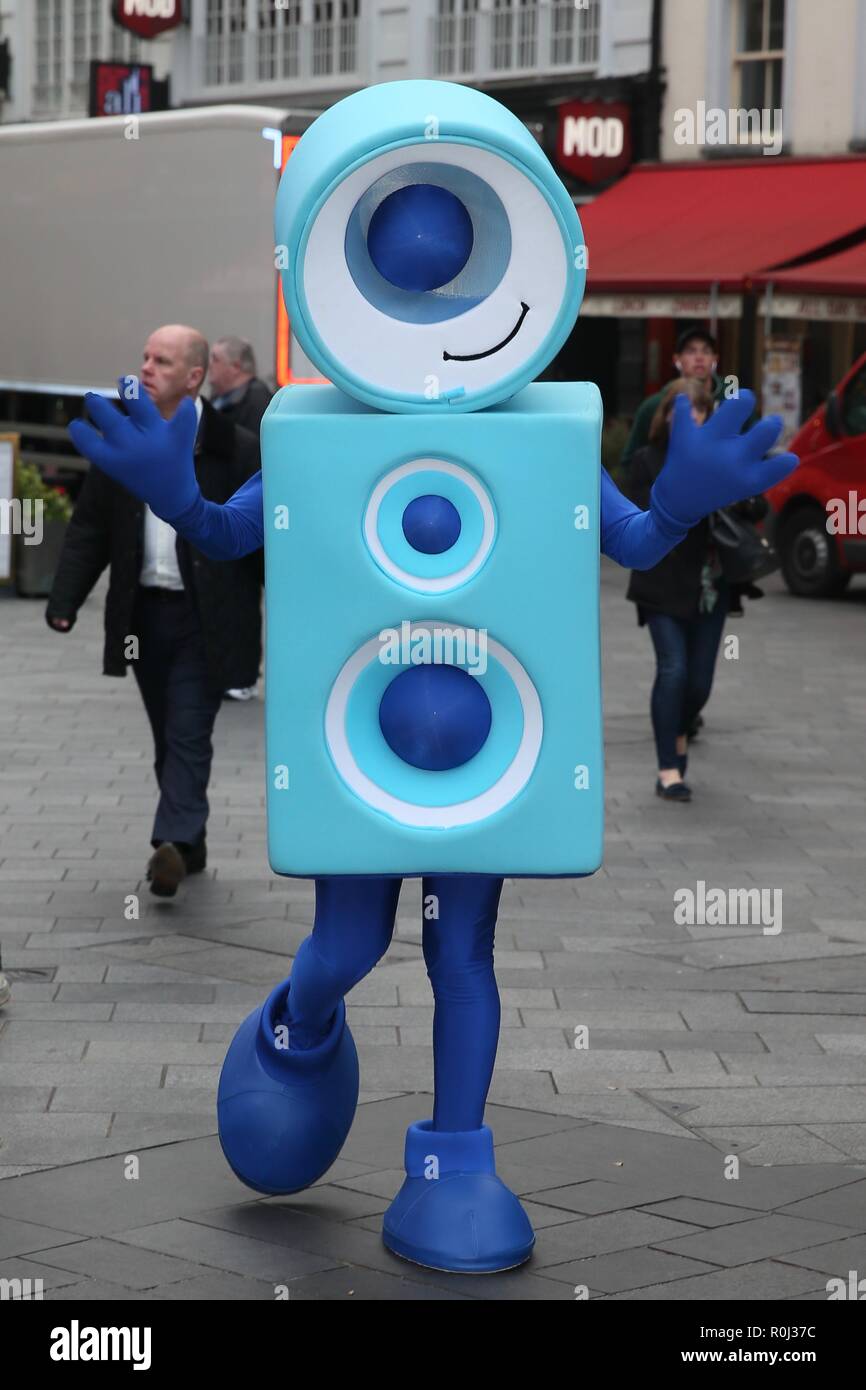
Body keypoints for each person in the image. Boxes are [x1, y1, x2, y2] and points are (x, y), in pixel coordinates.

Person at [46, 325, 262, 897]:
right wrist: (65, 599)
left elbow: (258, 534)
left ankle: (169, 838)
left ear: (195, 376)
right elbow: (90, 527)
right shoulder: (120, 443)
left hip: (206, 614)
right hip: (142, 615)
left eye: (161, 361)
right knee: (167, 730)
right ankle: (189, 838)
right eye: (143, 357)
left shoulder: (233, 444)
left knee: (190, 725)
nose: (146, 368)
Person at [624, 379, 767, 801]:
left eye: (699, 411)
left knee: (700, 683)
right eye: (680, 410)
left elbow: (760, 504)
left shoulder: (721, 461)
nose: (690, 418)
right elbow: (634, 515)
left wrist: (736, 497)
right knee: (674, 670)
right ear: (666, 417)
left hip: (710, 586)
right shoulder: (648, 461)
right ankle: (668, 766)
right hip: (661, 584)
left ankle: (680, 728)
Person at [622, 326, 721, 470]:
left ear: (715, 359)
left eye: (706, 351)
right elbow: (630, 461)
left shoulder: (730, 399)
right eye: (691, 351)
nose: (699, 357)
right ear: (677, 359)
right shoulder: (653, 405)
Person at [208, 337, 273, 433]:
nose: (209, 364)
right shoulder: (217, 397)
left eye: (215, 359)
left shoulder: (258, 401)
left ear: (236, 367)